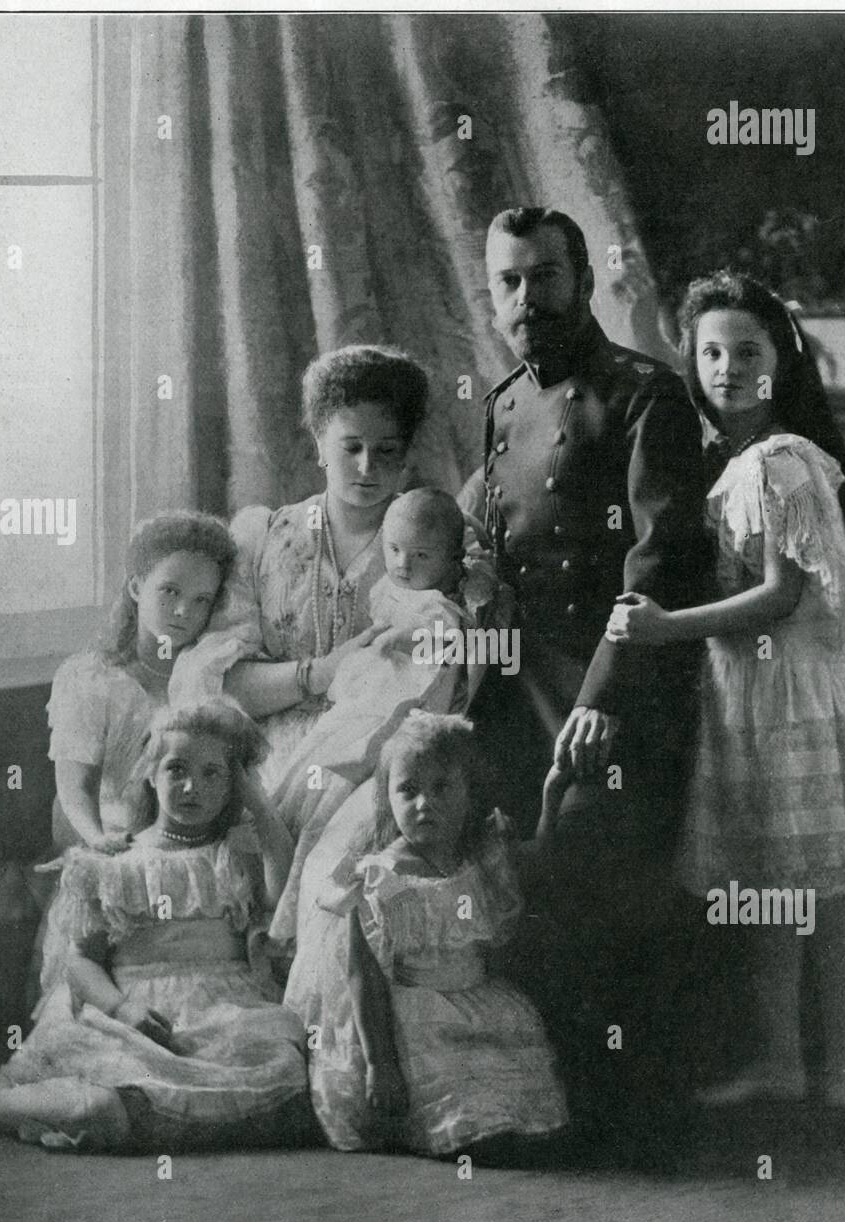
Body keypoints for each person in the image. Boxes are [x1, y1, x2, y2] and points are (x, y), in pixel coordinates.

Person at [606, 270, 845, 1108]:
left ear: (779, 361)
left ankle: (844, 1068)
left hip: (791, 691)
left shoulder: (781, 463)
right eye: (710, 352)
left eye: (746, 351)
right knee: (772, 887)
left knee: (821, 889)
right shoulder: (731, 458)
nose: (726, 368)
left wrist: (666, 626)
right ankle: (785, 1061)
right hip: (751, 689)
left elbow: (786, 596)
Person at [457, 206, 711, 1126]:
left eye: (545, 277)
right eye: (508, 283)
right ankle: (510, 1089)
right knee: (457, 824)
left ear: (584, 281)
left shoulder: (649, 394)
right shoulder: (503, 402)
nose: (528, 300)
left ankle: (620, 1103)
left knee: (584, 835)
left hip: (624, 679)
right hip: (519, 679)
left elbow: (660, 565)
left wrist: (604, 698)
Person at [0, 702, 311, 1152]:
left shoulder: (234, 854)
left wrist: (252, 796)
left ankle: (145, 1120)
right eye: (177, 769)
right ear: (150, 774)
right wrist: (122, 1010)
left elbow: (278, 889)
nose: (193, 786)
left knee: (285, 1075)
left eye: (213, 774)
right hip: (137, 1012)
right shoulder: (115, 864)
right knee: (101, 1107)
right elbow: (80, 963)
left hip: (224, 1012)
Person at [289, 711, 569, 1159]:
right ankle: (467, 1127)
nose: (424, 803)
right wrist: (380, 1064)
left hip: (476, 1000)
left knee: (514, 1078)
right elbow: (362, 975)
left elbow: (537, 863)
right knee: (452, 1083)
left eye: (441, 788)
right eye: (408, 790)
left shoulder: (479, 857)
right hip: (412, 1014)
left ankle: (503, 1121)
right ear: (388, 797)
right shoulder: (379, 877)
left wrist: (551, 798)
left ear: (468, 792)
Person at [170, 345, 431, 799]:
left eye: (386, 450)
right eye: (351, 447)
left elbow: (438, 684)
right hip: (266, 767)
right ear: (319, 446)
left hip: (379, 770)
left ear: (407, 454)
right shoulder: (262, 538)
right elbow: (214, 686)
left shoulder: (437, 543)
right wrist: (318, 674)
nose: (367, 467)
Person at [33, 512, 238, 1002]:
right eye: (169, 592)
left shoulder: (208, 676)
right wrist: (100, 840)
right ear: (135, 587)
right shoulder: (93, 678)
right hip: (115, 847)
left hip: (187, 845)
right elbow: (73, 789)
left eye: (201, 600)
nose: (183, 611)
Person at [267, 487, 506, 908]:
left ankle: (301, 902)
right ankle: (277, 888)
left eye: (420, 556)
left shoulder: (440, 605)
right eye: (394, 549)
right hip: (368, 698)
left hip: (405, 708)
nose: (402, 563)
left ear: (450, 560)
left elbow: (450, 643)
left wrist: (401, 637)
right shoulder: (394, 589)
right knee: (307, 772)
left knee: (341, 787)